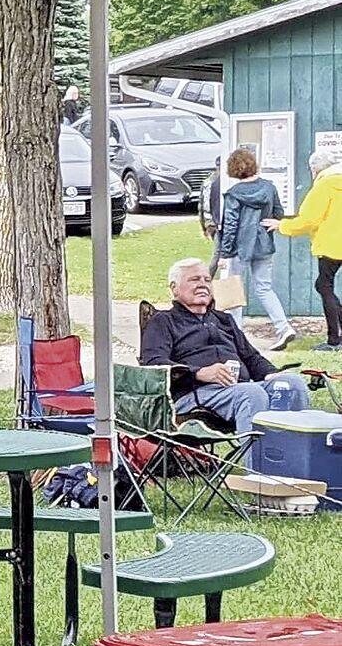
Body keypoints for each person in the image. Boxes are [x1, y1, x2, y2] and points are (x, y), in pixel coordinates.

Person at [140, 258, 310, 433]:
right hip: (195, 394)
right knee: (251, 394)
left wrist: (271, 373)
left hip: (238, 388)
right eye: (194, 279)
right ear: (174, 288)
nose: (203, 284)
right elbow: (153, 363)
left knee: (292, 385)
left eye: (207, 280)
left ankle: (291, 455)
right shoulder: (164, 321)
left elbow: (250, 356)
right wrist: (199, 373)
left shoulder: (223, 319)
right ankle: (260, 460)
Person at [216, 147, 295, 350]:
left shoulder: (233, 194)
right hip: (263, 244)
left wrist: (224, 253)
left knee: (233, 290)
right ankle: (283, 327)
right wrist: (271, 223)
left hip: (238, 249)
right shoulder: (269, 187)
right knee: (264, 288)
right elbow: (279, 211)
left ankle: (236, 336)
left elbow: (231, 225)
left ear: (233, 169)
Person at [279, 149, 342, 351]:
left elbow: (309, 219)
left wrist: (282, 226)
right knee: (322, 285)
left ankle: (334, 339)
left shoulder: (324, 185)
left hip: (332, 245)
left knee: (324, 286)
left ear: (317, 168)